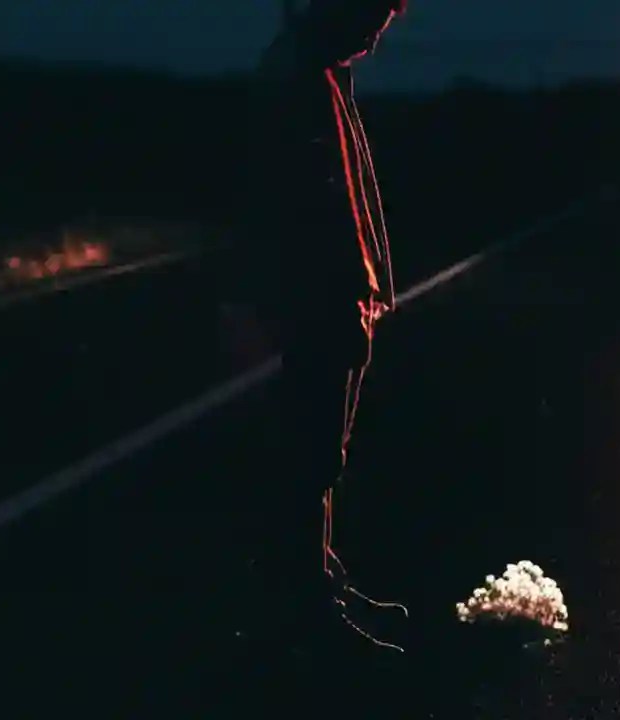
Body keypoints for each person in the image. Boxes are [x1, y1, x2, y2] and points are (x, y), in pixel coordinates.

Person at [242, 0, 410, 664]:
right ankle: (304, 609)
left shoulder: (320, 70)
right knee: (308, 454)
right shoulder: (297, 75)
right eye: (372, 14)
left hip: (334, 292)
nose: (375, 32)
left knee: (319, 452)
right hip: (316, 294)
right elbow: (291, 200)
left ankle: (321, 582)